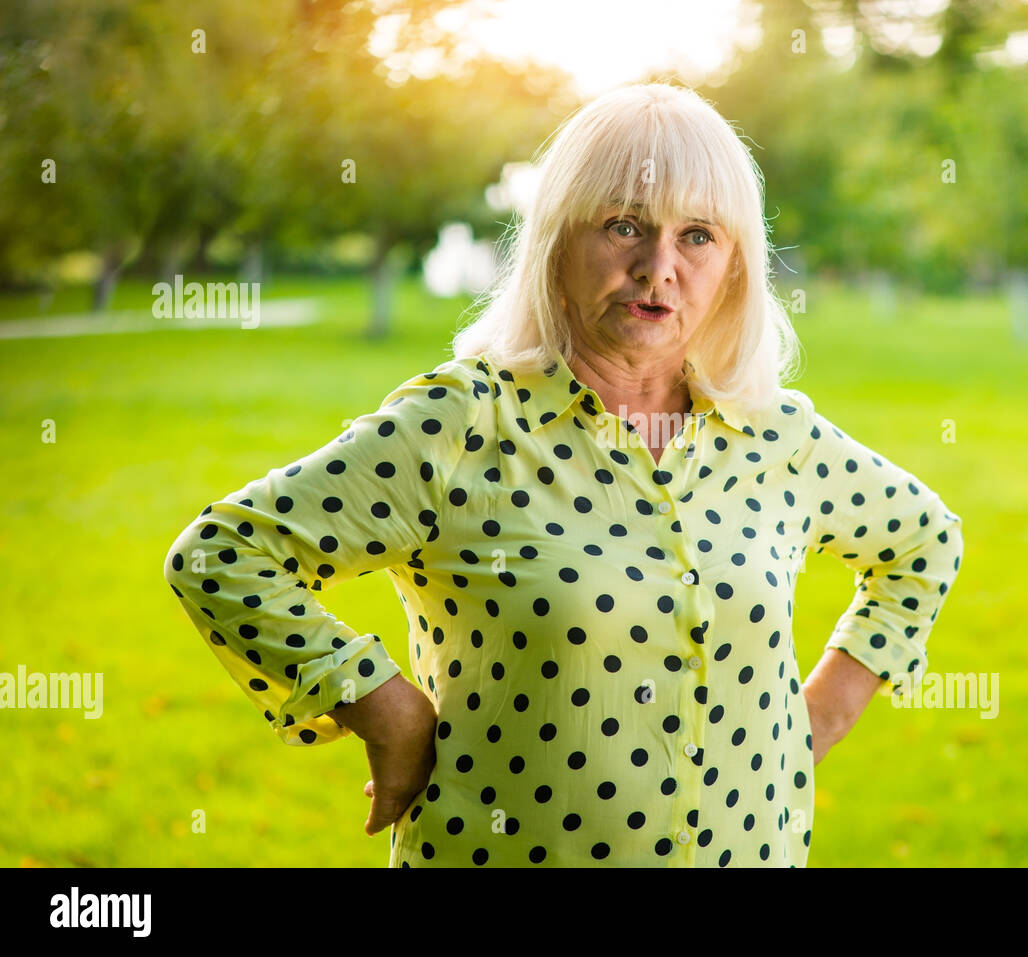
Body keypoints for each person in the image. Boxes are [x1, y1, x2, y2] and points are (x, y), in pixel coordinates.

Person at [162, 82, 963, 867]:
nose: (658, 267)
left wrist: (815, 722)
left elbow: (924, 541)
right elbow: (223, 555)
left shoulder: (775, 435)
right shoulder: (465, 423)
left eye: (697, 235)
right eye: (624, 226)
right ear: (556, 241)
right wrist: (384, 708)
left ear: (734, 265)